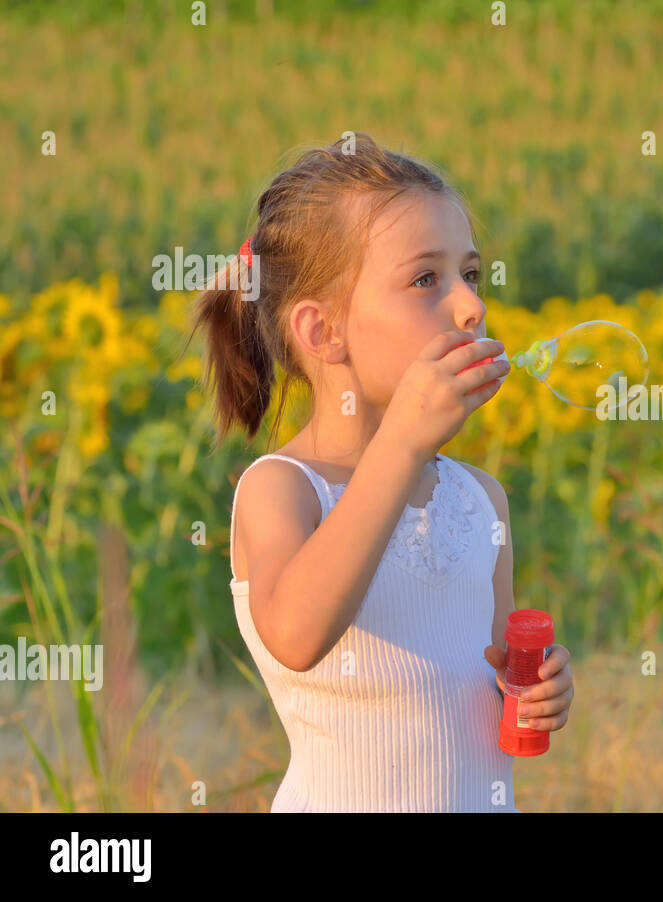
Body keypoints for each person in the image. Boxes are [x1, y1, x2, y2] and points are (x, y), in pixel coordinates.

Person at [185, 132, 573, 811]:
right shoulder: (282, 490)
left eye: (471, 274)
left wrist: (535, 693)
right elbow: (298, 635)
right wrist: (400, 444)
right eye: (427, 279)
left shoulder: (481, 501)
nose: (471, 306)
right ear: (322, 332)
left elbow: (487, 688)